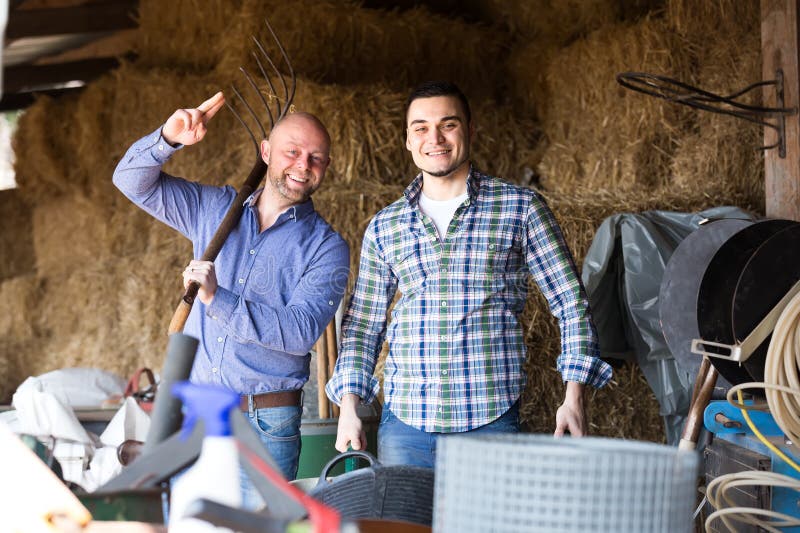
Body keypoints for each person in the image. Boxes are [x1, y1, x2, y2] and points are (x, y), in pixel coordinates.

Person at [325, 81, 612, 468]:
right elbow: (363, 326)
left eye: (448, 124)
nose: (435, 138)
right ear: (408, 140)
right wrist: (348, 407)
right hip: (407, 425)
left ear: (470, 130)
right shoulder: (384, 226)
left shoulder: (520, 208)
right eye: (421, 128)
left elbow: (571, 303)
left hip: (490, 420)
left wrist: (574, 397)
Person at [113, 92, 350, 504]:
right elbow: (129, 180)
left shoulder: (326, 247)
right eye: (291, 152)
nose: (302, 165)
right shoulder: (212, 208)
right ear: (266, 152)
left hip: (266, 422)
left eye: (315, 158)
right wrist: (168, 139)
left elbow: (298, 333)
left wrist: (216, 299)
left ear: (326, 167)